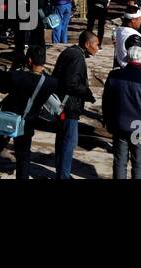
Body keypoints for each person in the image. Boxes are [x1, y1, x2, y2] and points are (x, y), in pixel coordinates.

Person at [0, 47, 58, 180]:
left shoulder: (17, 76)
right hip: (28, 122)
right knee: (23, 156)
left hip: (7, 117)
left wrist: (14, 67)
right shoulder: (51, 82)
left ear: (29, 60)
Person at [102, 46, 141, 179]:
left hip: (118, 124)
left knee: (119, 161)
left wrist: (106, 120)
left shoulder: (114, 75)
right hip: (138, 127)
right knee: (138, 162)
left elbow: (106, 101)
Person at [51, 31, 99, 179]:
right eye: (96, 44)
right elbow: (71, 83)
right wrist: (87, 93)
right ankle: (63, 175)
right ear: (87, 44)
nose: (98, 47)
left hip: (62, 103)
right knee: (69, 143)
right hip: (69, 106)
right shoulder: (77, 57)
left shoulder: (70, 52)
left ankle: (62, 173)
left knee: (62, 140)